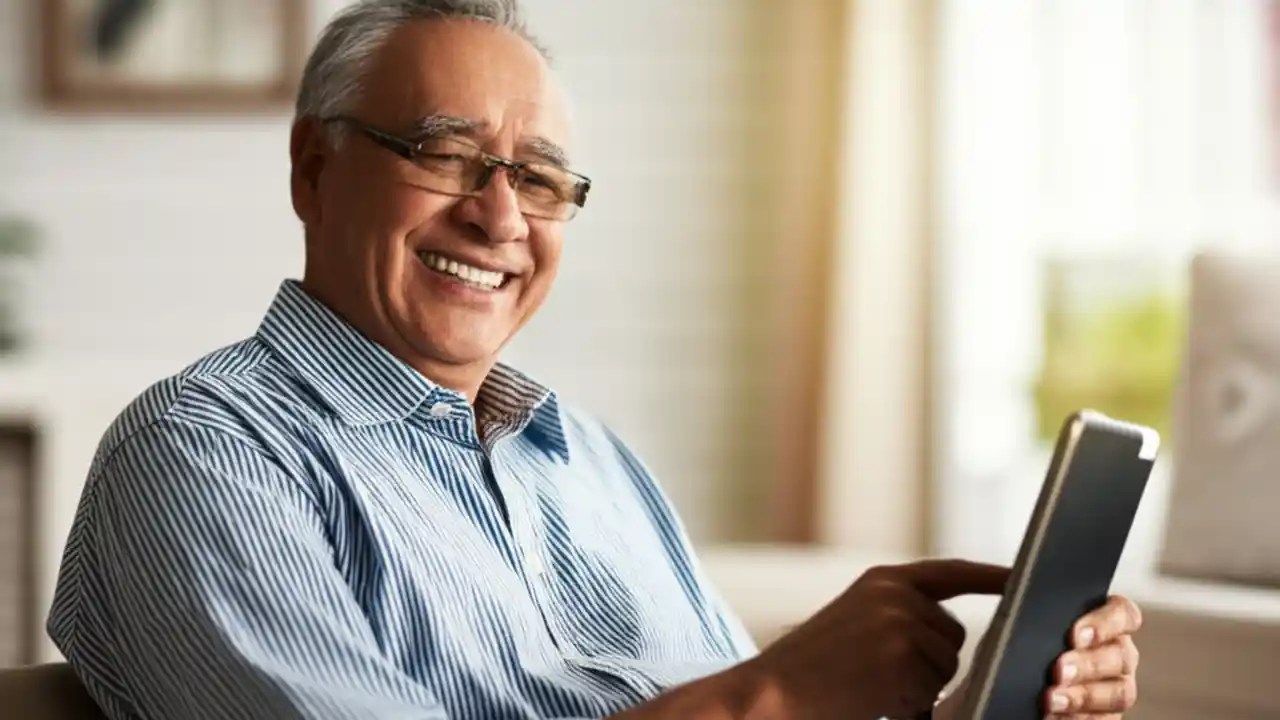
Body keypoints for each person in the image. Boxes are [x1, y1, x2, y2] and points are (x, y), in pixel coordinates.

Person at [47, 1, 1142, 718]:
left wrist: (991, 701)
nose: (497, 217)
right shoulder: (201, 455)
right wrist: (766, 696)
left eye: (538, 179)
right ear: (314, 172)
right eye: (444, 155)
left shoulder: (593, 464)